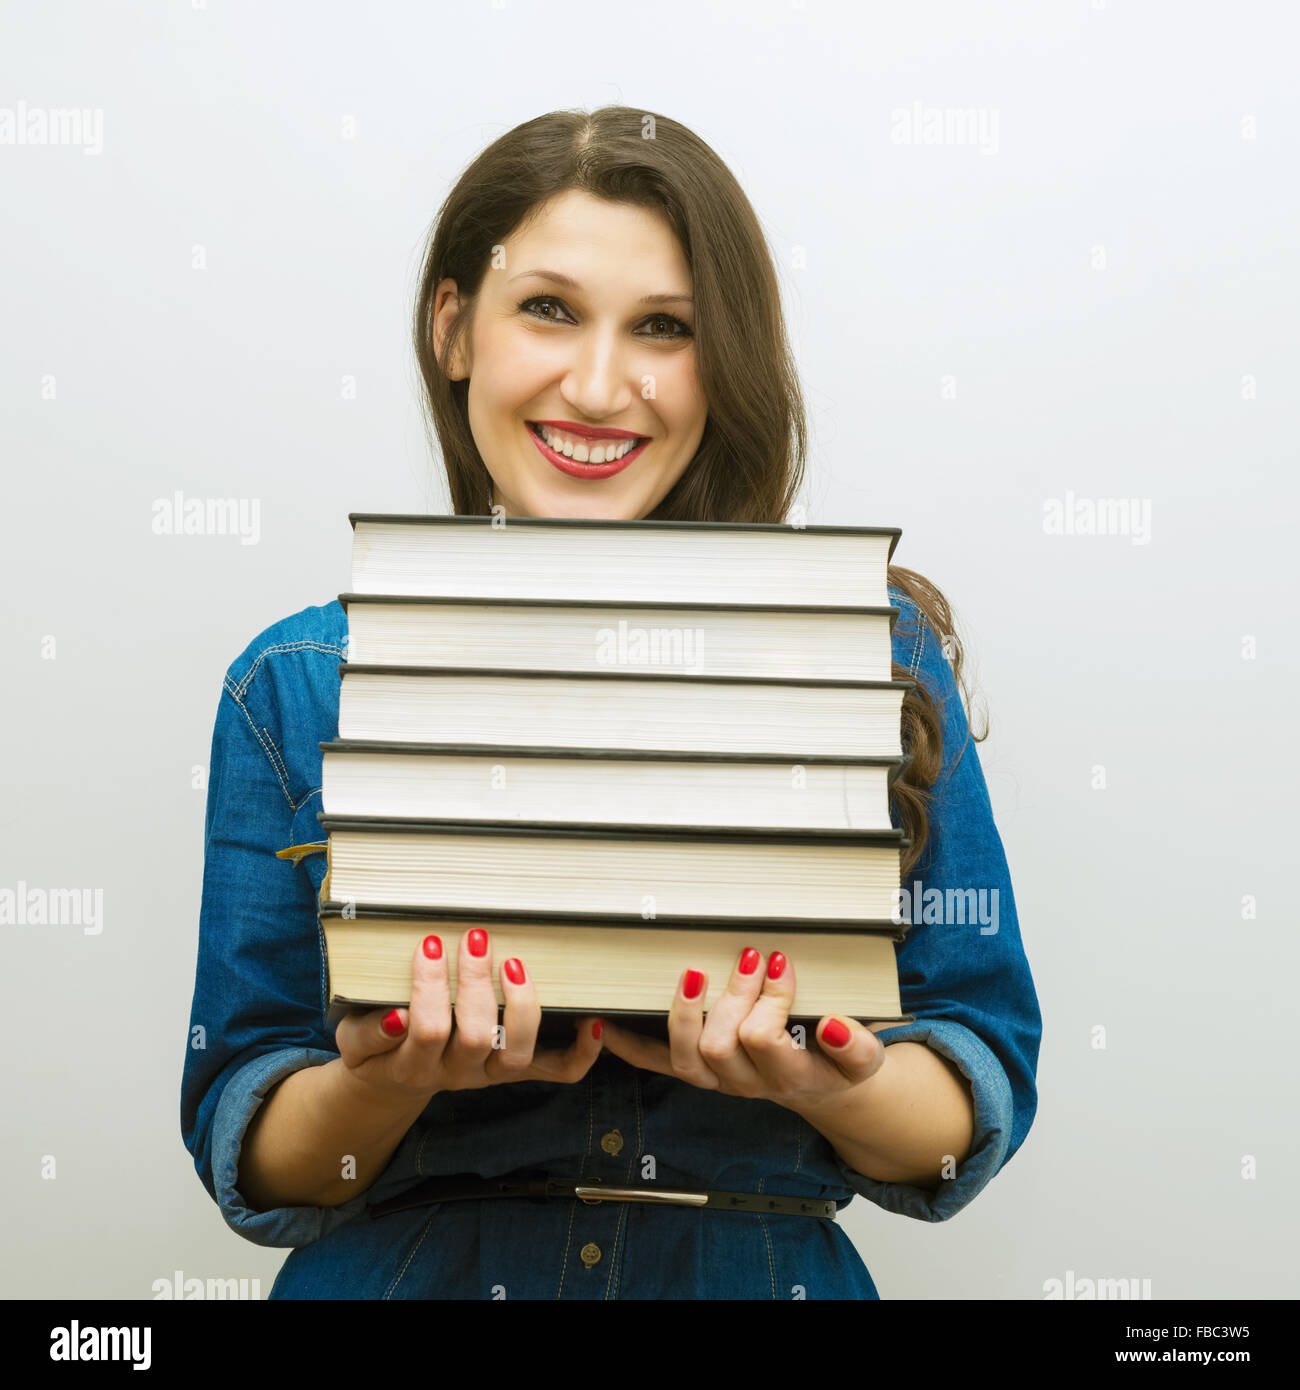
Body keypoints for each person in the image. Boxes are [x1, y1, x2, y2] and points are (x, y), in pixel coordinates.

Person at [180, 106, 1042, 1300]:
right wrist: (388, 1079)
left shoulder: (869, 657)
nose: (598, 384)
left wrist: (818, 1076)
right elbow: (258, 1148)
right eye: (548, 308)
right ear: (453, 329)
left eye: (664, 328)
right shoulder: (293, 684)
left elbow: (966, 1105)